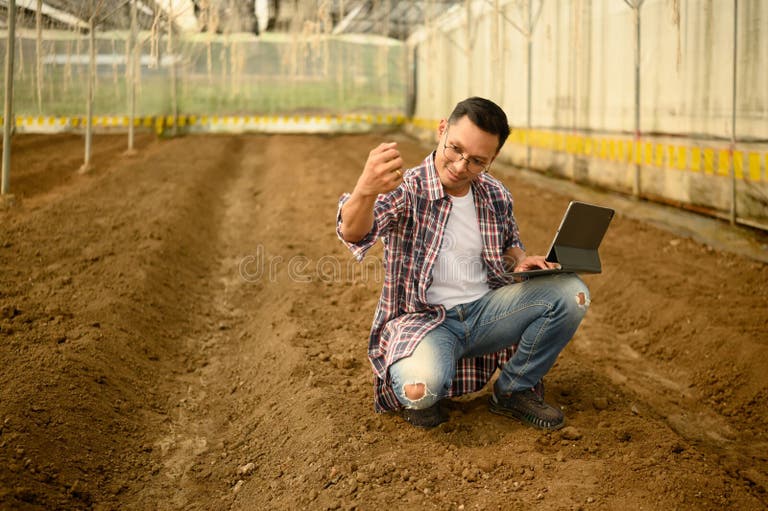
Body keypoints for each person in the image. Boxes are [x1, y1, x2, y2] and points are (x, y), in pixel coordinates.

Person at [336, 97, 590, 430]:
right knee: (419, 390)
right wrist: (365, 190)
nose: (460, 166)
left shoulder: (494, 193)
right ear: (442, 130)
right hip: (426, 321)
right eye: (454, 149)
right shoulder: (407, 189)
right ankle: (429, 370)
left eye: (476, 161)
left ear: (492, 158)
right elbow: (353, 232)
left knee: (572, 294)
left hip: (487, 313)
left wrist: (520, 260)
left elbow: (509, 243)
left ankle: (514, 390)